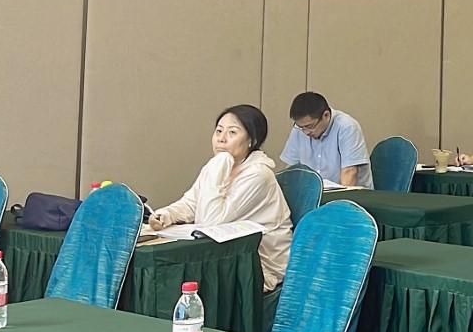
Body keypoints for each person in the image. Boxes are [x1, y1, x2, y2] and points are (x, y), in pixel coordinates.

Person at [149, 105, 293, 292]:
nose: (221, 138)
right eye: (218, 131)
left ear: (252, 140)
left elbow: (211, 222)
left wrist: (219, 163)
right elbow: (191, 203)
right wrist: (165, 215)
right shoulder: (217, 166)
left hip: (258, 266)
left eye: (232, 132)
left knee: (176, 281)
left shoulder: (258, 174)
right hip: (227, 257)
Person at [280, 90, 372, 188]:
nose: (306, 132)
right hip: (314, 193)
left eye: (310, 126)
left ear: (326, 115)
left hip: (348, 194)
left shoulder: (347, 127)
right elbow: (292, 169)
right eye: (301, 127)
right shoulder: (299, 129)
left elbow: (350, 172)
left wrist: (340, 197)